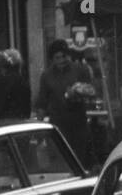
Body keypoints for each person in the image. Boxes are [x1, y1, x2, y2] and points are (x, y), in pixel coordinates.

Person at [35, 39, 96, 168]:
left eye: (64, 56)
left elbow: (91, 91)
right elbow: (42, 103)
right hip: (58, 125)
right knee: (62, 161)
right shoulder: (46, 76)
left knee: (80, 160)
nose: (62, 60)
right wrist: (38, 129)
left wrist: (79, 93)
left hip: (79, 123)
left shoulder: (80, 70)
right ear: (52, 59)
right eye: (57, 57)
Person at [0, 48, 31, 120]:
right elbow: (27, 109)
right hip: (20, 123)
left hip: (4, 124)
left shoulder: (0, 82)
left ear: (2, 65)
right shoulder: (23, 82)